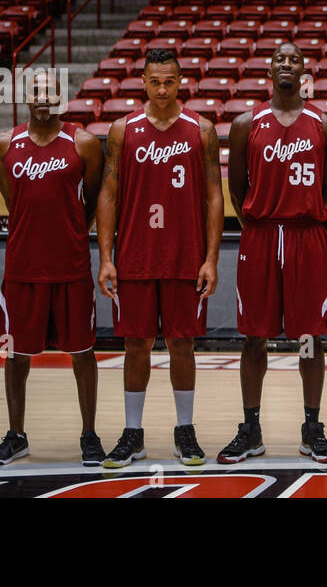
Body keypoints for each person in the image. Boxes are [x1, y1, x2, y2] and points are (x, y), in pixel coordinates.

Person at [96, 48, 224, 467]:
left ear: (180, 81)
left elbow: (214, 197)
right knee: (136, 344)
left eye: (170, 81)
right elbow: (109, 194)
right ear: (144, 82)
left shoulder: (202, 130)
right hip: (134, 256)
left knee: (182, 344)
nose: (163, 88)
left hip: (184, 258)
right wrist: (106, 258)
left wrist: (211, 258)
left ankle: (184, 430)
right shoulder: (122, 130)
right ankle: (133, 432)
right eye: (156, 81)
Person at [222, 42, 327, 463]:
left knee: (309, 338)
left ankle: (312, 428)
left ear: (304, 71)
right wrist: (261, 218)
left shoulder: (325, 125)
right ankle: (250, 428)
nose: (286, 64)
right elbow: (237, 190)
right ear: (270, 70)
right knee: (254, 337)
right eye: (279, 59)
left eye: (293, 59)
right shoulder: (244, 124)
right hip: (259, 237)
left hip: (306, 236)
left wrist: (300, 214)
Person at [0, 71, 104, 466]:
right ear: (25, 98)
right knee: (16, 356)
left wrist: (70, 230)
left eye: (50, 92)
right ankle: (16, 435)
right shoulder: (4, 144)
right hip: (22, 267)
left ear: (62, 99)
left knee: (83, 354)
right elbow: (12, 199)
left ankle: (89, 434)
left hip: (71, 266)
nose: (42, 98)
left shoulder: (83, 143)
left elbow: (89, 204)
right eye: (35, 92)